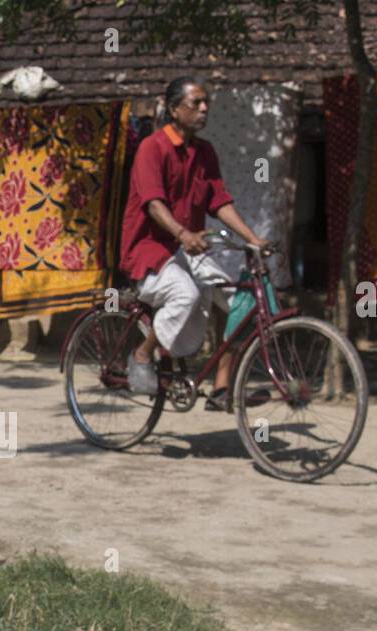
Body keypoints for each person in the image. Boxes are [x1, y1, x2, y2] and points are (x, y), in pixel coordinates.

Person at [119, 77, 268, 410]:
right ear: (174, 109)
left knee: (237, 301)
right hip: (149, 251)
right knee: (185, 293)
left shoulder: (204, 151)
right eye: (195, 103)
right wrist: (183, 234)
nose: (204, 109)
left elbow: (220, 202)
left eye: (206, 103)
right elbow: (154, 204)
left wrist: (254, 239)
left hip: (190, 250)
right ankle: (143, 353)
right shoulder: (152, 148)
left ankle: (221, 388)